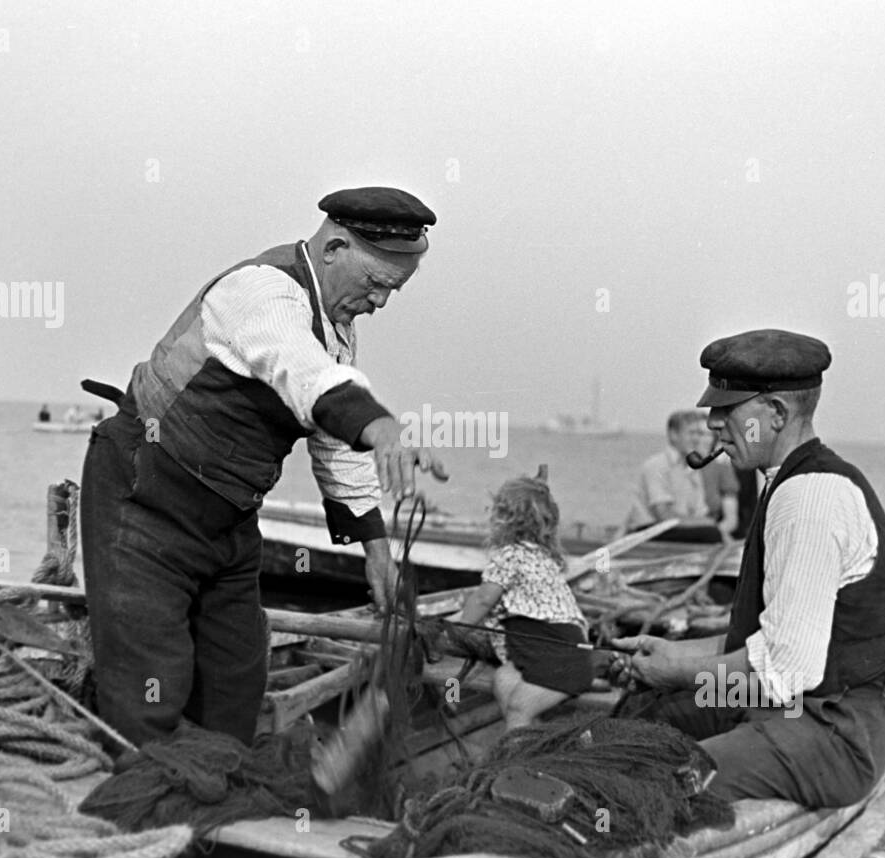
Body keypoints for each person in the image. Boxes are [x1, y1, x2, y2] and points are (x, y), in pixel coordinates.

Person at [79, 186, 447, 747]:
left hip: (228, 521)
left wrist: (377, 552)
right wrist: (381, 426)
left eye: (393, 292)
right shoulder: (262, 291)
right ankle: (142, 801)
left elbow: (332, 444)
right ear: (334, 249)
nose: (380, 303)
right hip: (145, 496)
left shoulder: (340, 332)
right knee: (149, 686)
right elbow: (301, 371)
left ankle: (213, 780)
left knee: (234, 685)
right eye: (376, 284)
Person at [612, 329, 885, 809]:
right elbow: (765, 643)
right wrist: (674, 655)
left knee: (650, 786)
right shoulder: (789, 482)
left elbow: (783, 673)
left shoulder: (807, 498)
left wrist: (676, 674)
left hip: (832, 736)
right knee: (643, 719)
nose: (713, 424)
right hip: (793, 709)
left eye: (728, 410)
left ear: (776, 413)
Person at [456, 476, 592, 730]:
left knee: (519, 708)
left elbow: (484, 599)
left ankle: (515, 764)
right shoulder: (544, 557)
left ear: (503, 520)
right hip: (547, 649)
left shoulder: (509, 556)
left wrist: (459, 630)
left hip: (558, 653)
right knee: (503, 679)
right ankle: (536, 744)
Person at [624, 410, 711, 532]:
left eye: (699, 434)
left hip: (676, 529)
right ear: (673, 435)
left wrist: (707, 523)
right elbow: (663, 514)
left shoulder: (691, 469)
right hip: (649, 531)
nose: (696, 439)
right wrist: (706, 524)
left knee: (711, 531)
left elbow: (700, 512)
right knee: (711, 532)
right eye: (691, 433)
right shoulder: (657, 465)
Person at [693, 410, 740, 538]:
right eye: (698, 433)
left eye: (707, 435)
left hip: (709, 532)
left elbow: (731, 521)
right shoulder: (678, 467)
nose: (701, 439)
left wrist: (710, 533)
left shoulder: (722, 468)